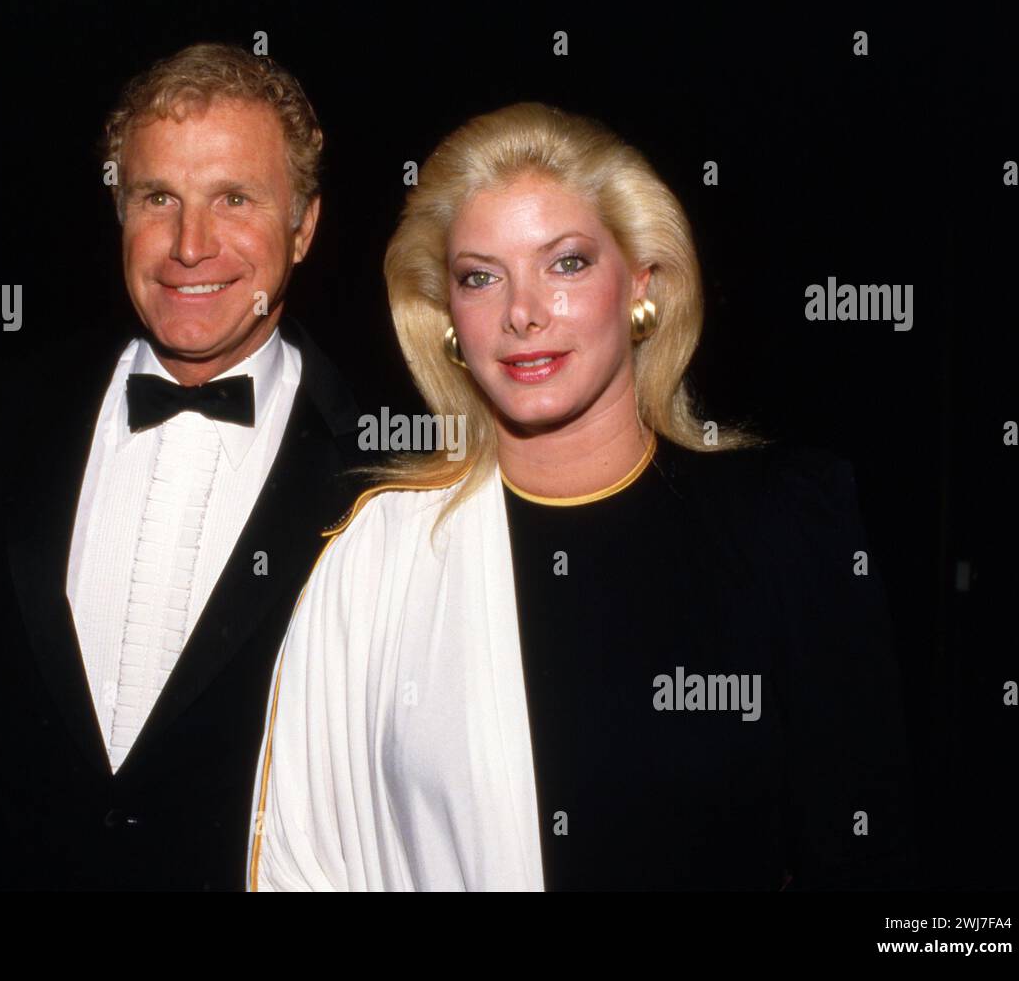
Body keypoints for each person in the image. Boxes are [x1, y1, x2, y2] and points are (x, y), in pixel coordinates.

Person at [247, 102, 915, 891]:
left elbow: (868, 857)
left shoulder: (786, 519)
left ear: (643, 284)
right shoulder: (378, 555)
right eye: (480, 277)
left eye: (566, 263)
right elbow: (305, 864)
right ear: (449, 321)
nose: (523, 312)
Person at [0, 43, 368, 890]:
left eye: (235, 198)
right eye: (157, 197)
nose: (188, 245)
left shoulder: (387, 470)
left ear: (304, 224)